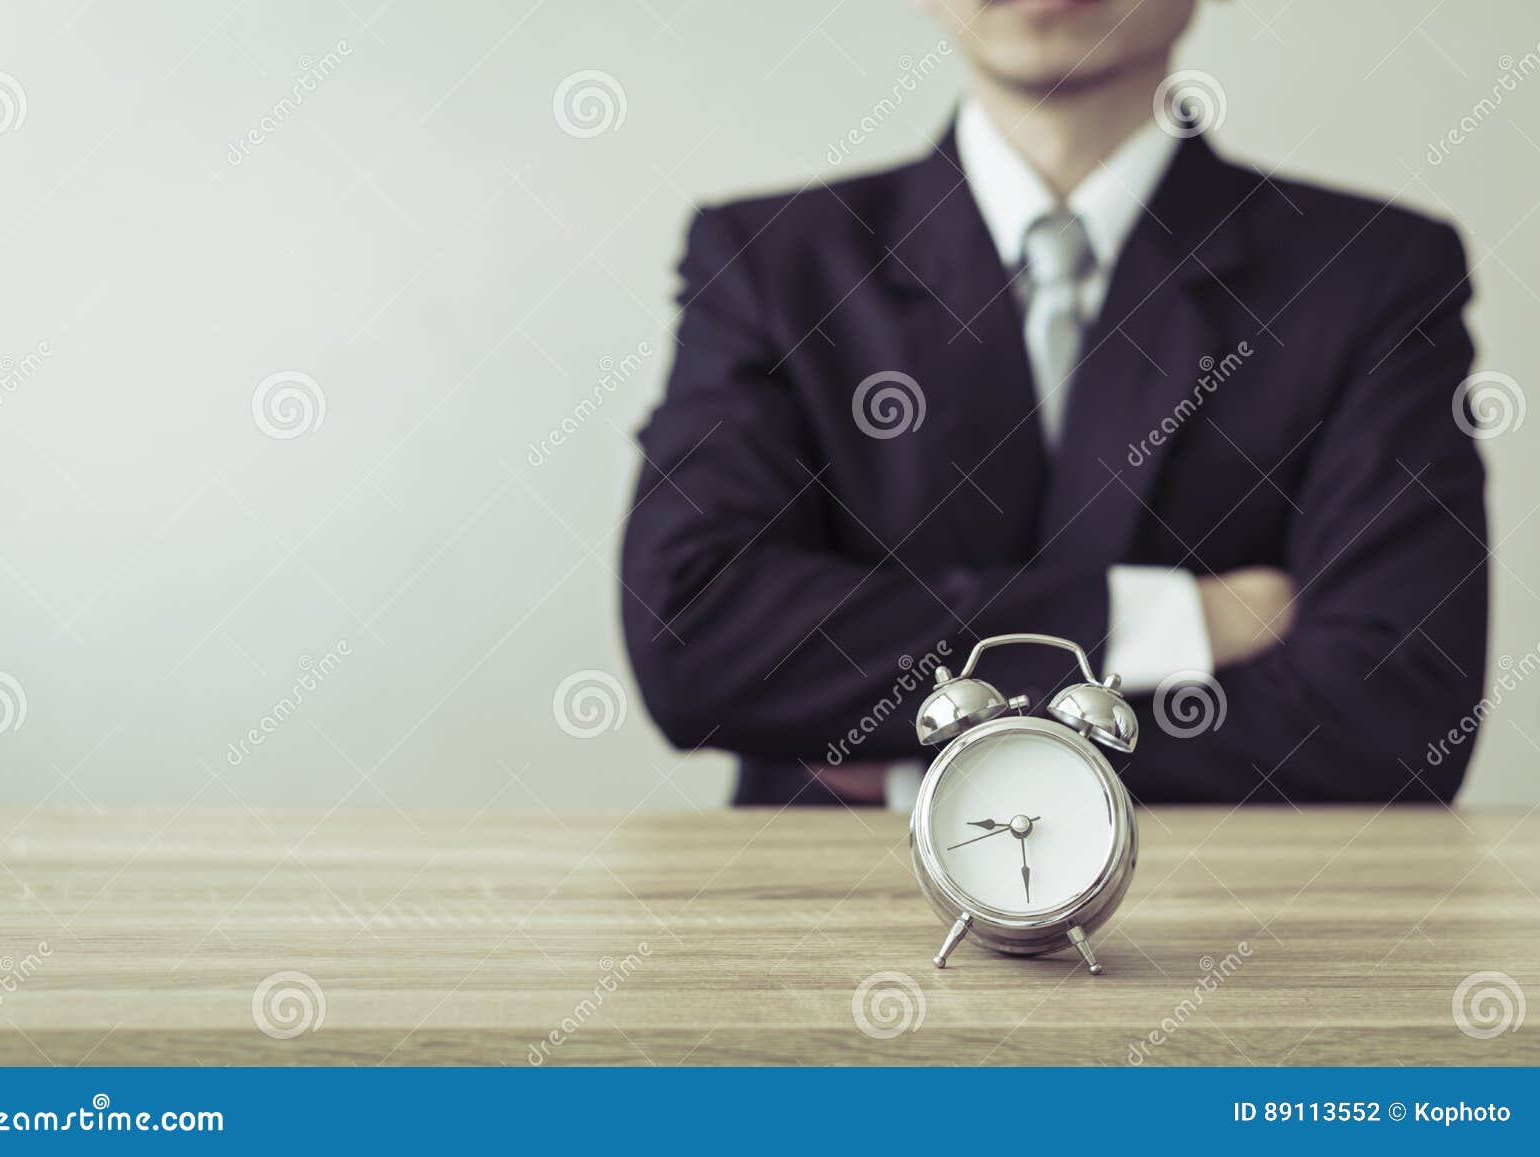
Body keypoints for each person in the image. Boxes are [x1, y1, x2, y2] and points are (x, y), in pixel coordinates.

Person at [620, 0, 1488, 807]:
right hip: (808, 935)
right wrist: (1172, 620)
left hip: (1234, 929)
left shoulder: (1373, 272)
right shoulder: (769, 262)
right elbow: (696, 636)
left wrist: (926, 768)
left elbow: (1396, 717)